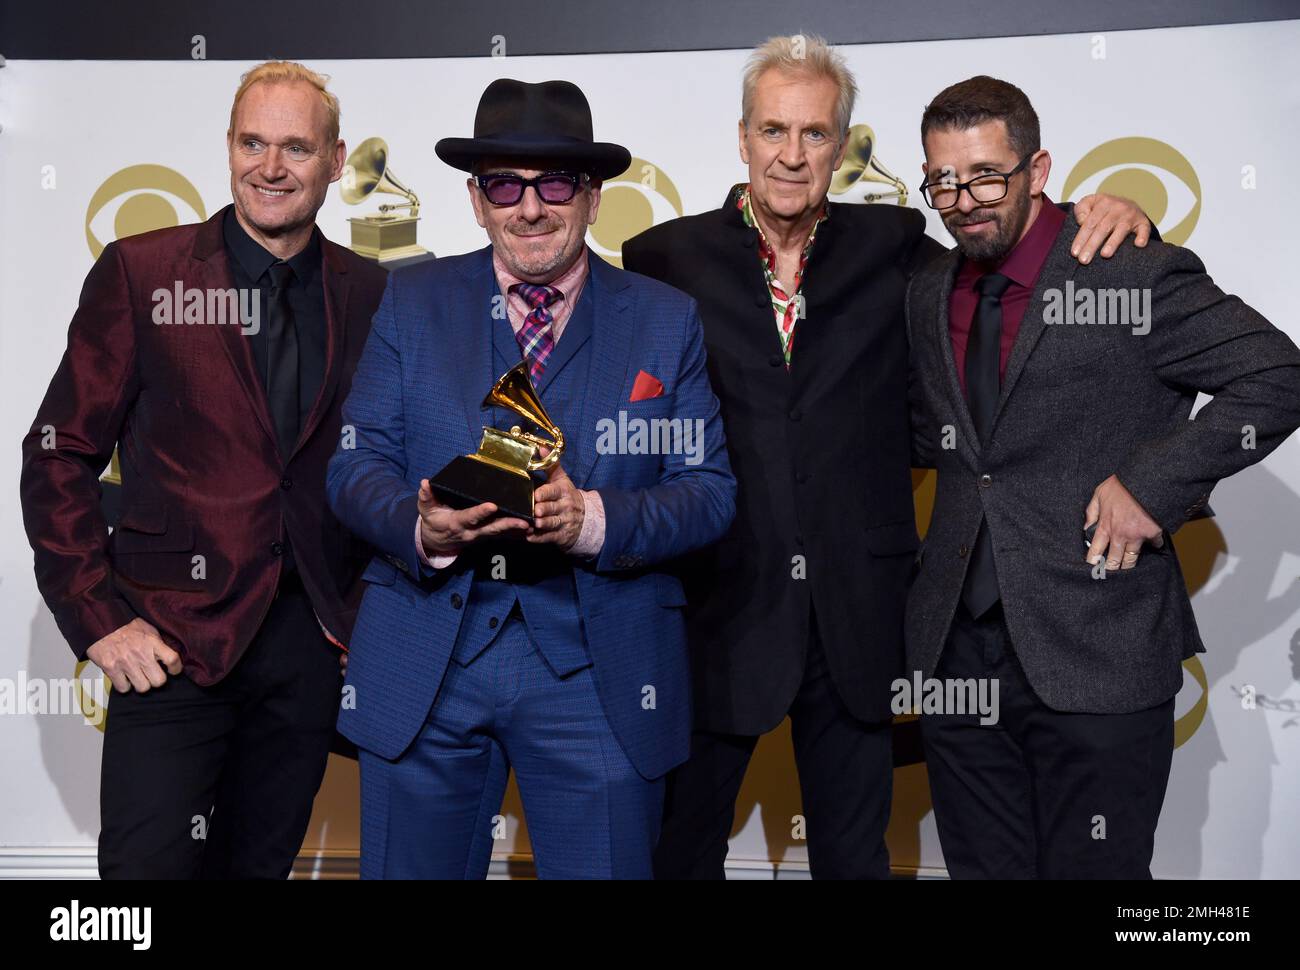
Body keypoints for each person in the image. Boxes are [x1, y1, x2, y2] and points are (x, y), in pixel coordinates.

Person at [622, 34, 1152, 879]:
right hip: (718, 609)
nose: (792, 156)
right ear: (742, 138)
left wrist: (1113, 211)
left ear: (844, 143)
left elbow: (1014, 264)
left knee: (854, 858)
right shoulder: (663, 258)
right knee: (680, 853)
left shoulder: (899, 244)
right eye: (773, 131)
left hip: (860, 618)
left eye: (816, 133)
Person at [327, 78, 736, 879]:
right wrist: (419, 528)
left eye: (554, 185)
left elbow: (708, 490)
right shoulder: (409, 300)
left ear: (590, 198)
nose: (530, 208)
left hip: (599, 672)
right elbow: (354, 462)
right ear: (477, 202)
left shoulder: (664, 318)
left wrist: (592, 520)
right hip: (428, 661)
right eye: (504, 186)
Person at [906, 74, 1300, 878]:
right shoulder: (925, 291)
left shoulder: (1130, 270)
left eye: (987, 174)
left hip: (1100, 650)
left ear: (1040, 170)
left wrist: (1153, 484)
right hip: (957, 661)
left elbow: (1277, 375)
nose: (964, 199)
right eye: (943, 180)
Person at [19, 61, 388, 878]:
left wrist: (366, 617)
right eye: (252, 143)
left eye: (296, 147)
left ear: (335, 160)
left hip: (309, 652)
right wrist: (99, 618)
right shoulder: (144, 274)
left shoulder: (369, 290)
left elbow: (388, 472)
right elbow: (58, 454)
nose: (270, 167)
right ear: (227, 148)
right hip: (173, 646)